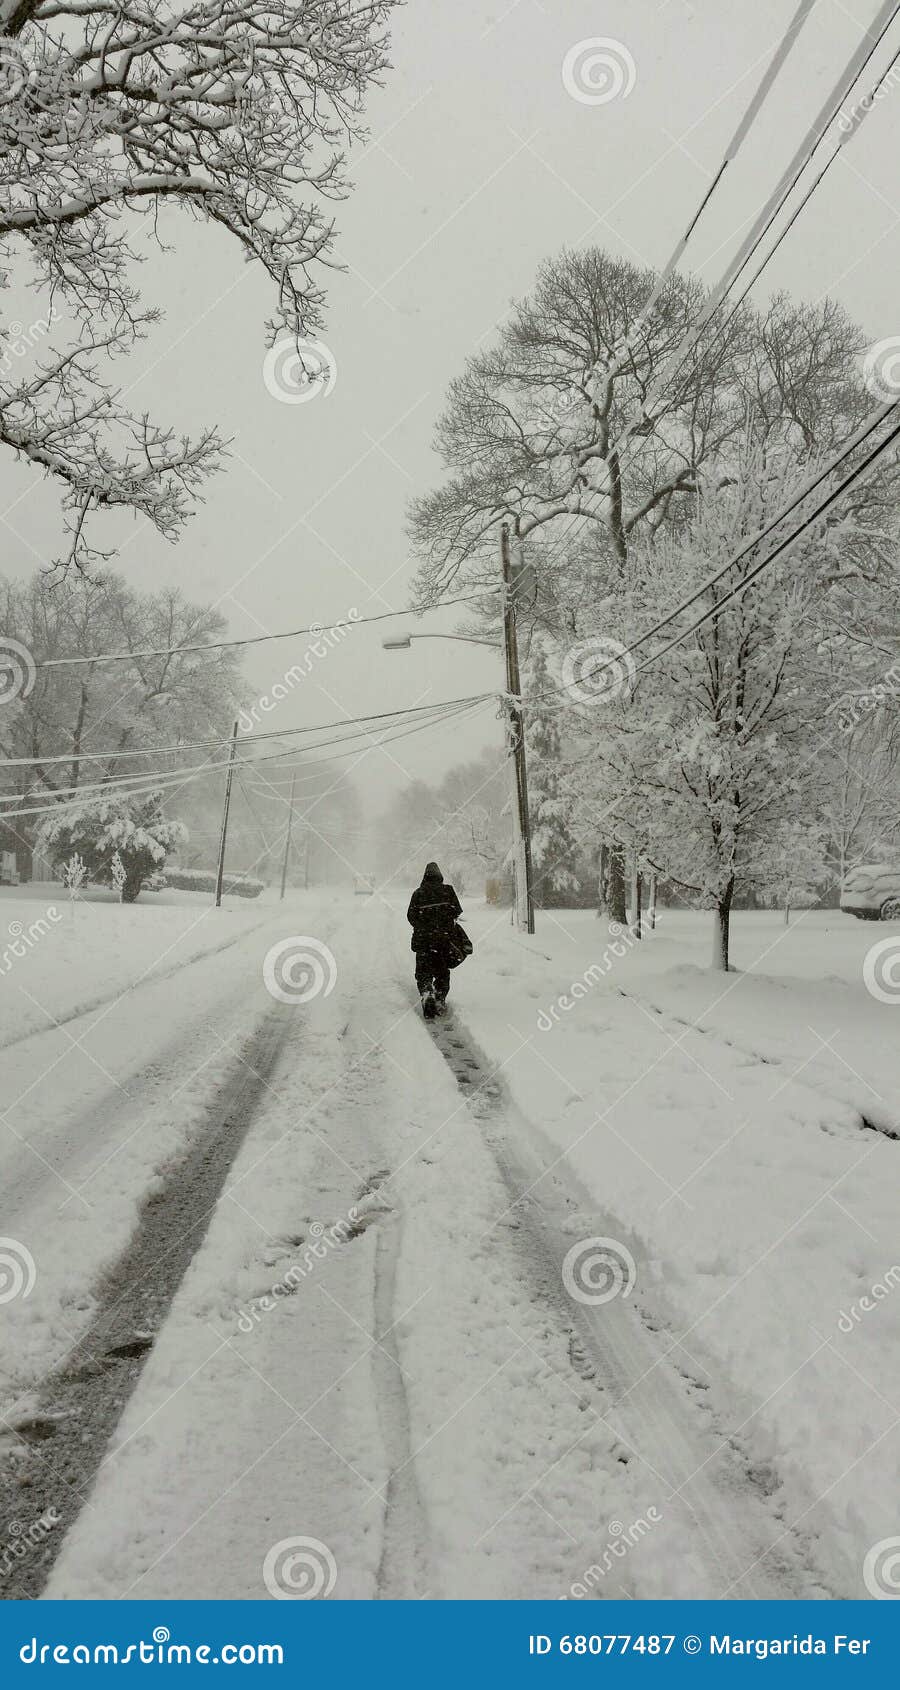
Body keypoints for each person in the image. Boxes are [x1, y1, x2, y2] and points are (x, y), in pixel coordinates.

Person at [407, 861, 463, 1018]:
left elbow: (411, 916)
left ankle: (426, 993)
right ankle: (439, 998)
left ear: (425, 876)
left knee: (423, 971)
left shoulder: (418, 893)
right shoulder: (448, 891)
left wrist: (423, 926)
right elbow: (457, 911)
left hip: (423, 942)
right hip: (443, 940)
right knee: (442, 972)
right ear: (439, 876)